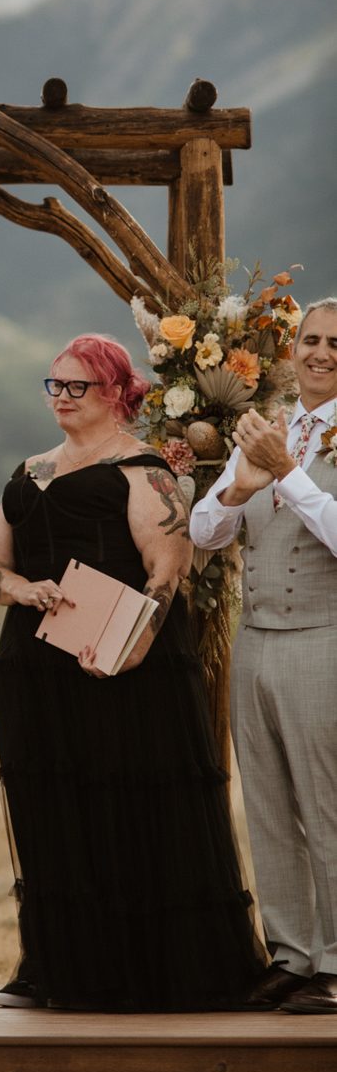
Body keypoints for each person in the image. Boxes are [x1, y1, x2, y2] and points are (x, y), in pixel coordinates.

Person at [0, 332, 264, 1013]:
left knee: (128, 809)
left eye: (76, 386)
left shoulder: (141, 469)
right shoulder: (29, 470)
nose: (61, 397)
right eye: (53, 384)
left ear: (115, 392)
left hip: (125, 663)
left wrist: (129, 648)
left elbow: (168, 571)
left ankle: (144, 973)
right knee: (55, 813)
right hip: (35, 667)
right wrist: (20, 588)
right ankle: (62, 967)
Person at [190, 296, 337, 1015]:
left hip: (324, 638)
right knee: (270, 806)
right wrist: (237, 490)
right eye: (310, 340)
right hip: (255, 642)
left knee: (326, 805)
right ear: (292, 351)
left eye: (335, 344)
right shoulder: (267, 430)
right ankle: (291, 955)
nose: (321, 353)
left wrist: (288, 474)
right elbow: (202, 530)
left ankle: (335, 965)